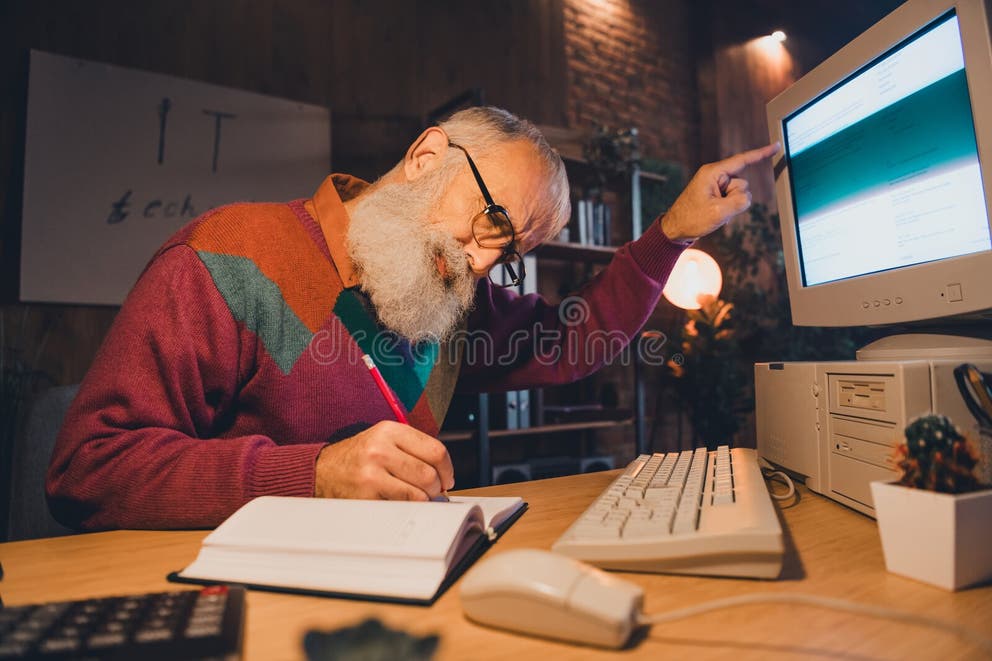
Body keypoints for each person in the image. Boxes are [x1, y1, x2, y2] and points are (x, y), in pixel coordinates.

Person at [46, 106, 778, 530]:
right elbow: (88, 467)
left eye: (512, 250)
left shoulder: (450, 303)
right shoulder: (228, 255)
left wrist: (670, 233)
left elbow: (569, 339)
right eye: (492, 219)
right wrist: (313, 476)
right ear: (429, 154)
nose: (486, 263)